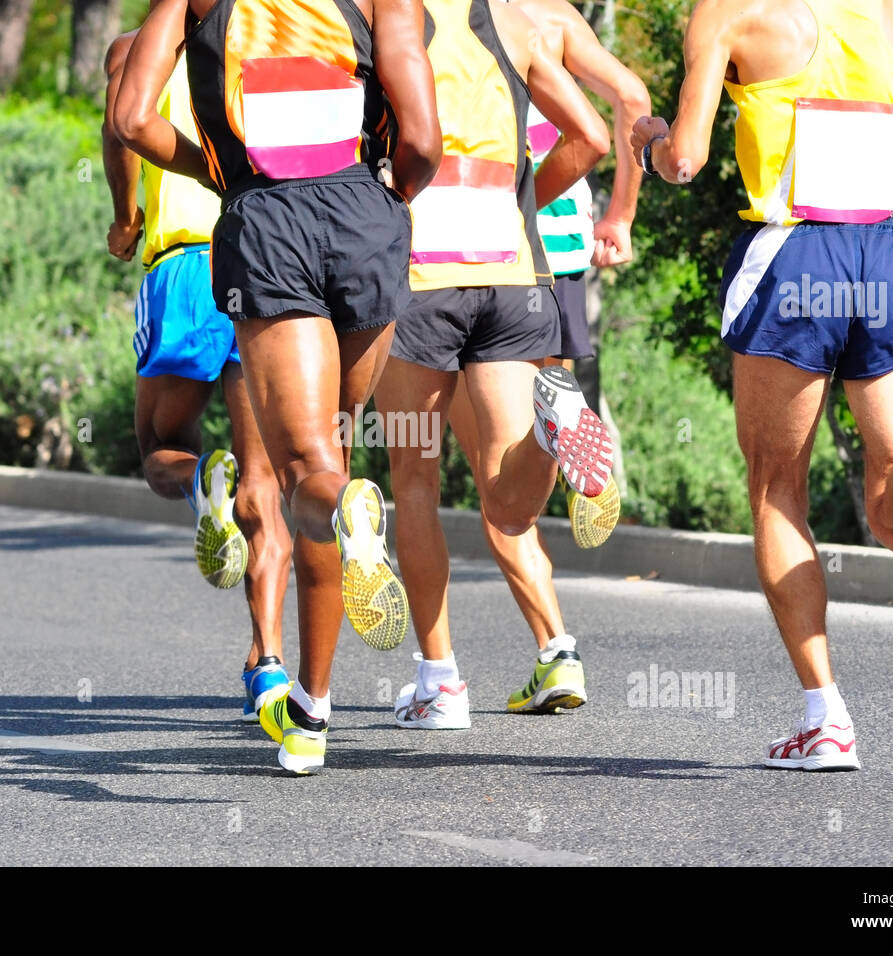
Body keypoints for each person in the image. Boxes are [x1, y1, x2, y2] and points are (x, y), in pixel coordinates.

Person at [631, 0, 893, 770]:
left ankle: (826, 718)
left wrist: (643, 141)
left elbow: (686, 159)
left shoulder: (732, 14)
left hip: (796, 256)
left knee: (777, 490)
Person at [114, 0, 442, 773]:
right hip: (367, 213)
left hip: (265, 216)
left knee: (305, 475)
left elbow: (132, 116)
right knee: (334, 448)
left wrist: (212, 168)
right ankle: (314, 705)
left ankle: (343, 526)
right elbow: (424, 140)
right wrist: (388, 201)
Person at [373, 0, 613, 729]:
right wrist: (518, 206)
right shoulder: (514, 22)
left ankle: (440, 683)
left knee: (414, 475)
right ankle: (553, 425)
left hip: (419, 282)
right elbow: (594, 137)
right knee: (508, 502)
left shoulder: (381, 16)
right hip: (511, 279)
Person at [442, 0, 651, 719]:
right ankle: (561, 434)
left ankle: (513, 661)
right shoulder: (550, 16)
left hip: (470, 244)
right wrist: (620, 211)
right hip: (557, 247)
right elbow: (630, 98)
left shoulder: (428, 16)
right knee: (527, 436)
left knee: (487, 478)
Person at [102, 10, 291, 723]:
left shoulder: (133, 47)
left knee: (159, 448)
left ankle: (198, 481)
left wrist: (125, 218)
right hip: (267, 254)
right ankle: (267, 665)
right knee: (266, 484)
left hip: (182, 262)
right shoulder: (277, 34)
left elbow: (124, 127)